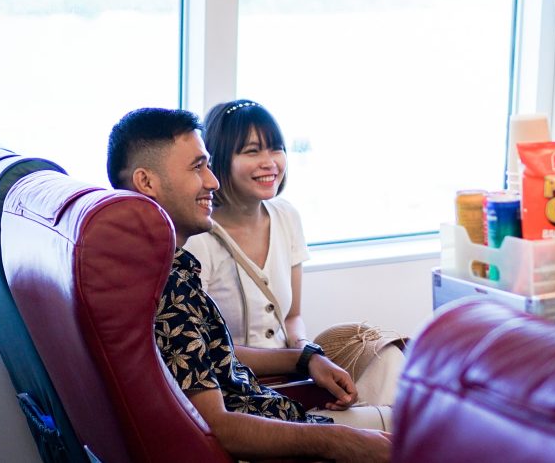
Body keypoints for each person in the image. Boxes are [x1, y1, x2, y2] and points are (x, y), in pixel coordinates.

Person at [107, 107, 391, 462]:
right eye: (198, 167)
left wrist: (304, 358)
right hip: (274, 435)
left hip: (277, 410)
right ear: (147, 182)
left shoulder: (169, 263)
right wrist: (339, 441)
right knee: (420, 421)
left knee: (391, 363)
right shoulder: (166, 287)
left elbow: (215, 354)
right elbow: (217, 427)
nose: (212, 182)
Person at [183, 99, 405, 404]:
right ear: (219, 160)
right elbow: (208, 348)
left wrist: (309, 352)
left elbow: (293, 316)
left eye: (276, 148)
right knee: (383, 419)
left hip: (293, 372)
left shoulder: (287, 216)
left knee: (387, 357)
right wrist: (301, 359)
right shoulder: (196, 239)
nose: (269, 161)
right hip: (240, 386)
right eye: (252, 151)